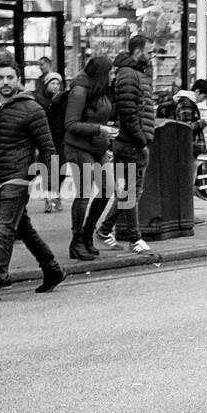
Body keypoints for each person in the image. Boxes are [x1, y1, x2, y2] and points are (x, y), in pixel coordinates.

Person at [0, 59, 64, 303]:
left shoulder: (32, 109)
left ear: (18, 80)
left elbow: (47, 147)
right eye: (0, 78)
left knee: (4, 228)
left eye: (10, 78)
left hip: (19, 177)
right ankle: (52, 269)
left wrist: (52, 184)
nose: (5, 82)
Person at [93, 35, 156, 254]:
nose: (152, 56)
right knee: (132, 192)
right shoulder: (129, 75)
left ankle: (104, 230)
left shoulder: (133, 73)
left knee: (129, 191)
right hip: (130, 143)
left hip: (130, 142)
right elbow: (129, 114)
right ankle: (135, 238)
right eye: (150, 51)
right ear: (138, 53)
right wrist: (141, 141)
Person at [62, 55, 116, 261]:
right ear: (101, 74)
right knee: (84, 192)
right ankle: (76, 241)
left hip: (99, 147)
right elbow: (71, 124)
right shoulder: (79, 90)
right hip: (78, 146)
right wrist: (100, 129)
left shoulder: (100, 89)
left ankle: (87, 234)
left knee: (107, 189)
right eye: (109, 73)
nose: (112, 76)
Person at [37, 72, 66, 212]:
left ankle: (56, 194)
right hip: (46, 139)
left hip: (60, 140)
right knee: (48, 171)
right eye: (52, 83)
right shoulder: (40, 100)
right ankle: (49, 199)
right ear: (46, 85)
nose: (55, 86)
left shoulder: (62, 100)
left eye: (58, 84)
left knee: (61, 171)